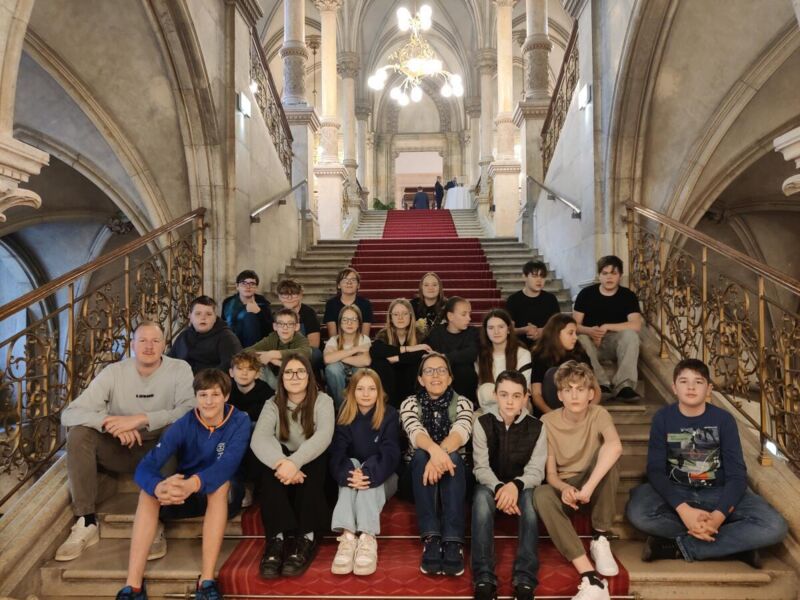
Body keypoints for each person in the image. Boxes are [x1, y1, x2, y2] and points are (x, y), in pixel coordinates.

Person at [626, 358, 787, 567]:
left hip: (717, 491)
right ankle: (736, 545)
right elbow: (655, 470)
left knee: (774, 526)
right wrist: (684, 511)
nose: (691, 387)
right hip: (677, 490)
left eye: (698, 382)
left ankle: (682, 547)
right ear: (674, 387)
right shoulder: (663, 418)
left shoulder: (723, 420)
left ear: (709, 389)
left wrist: (718, 517)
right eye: (684, 381)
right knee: (638, 513)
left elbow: (737, 476)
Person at [57, 322, 195, 562]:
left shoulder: (179, 369)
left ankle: (156, 518)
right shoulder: (113, 372)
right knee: (79, 434)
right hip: (121, 449)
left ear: (164, 345)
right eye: (142, 340)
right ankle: (86, 520)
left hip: (162, 452)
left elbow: (189, 410)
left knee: (174, 430)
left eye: (155, 341)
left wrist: (141, 419)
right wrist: (109, 422)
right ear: (132, 345)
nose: (149, 346)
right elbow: (69, 414)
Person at [113, 369, 249, 600]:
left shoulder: (240, 420)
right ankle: (133, 586)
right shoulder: (184, 423)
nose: (208, 401)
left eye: (215, 395)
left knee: (220, 485)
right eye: (203, 395)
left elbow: (227, 464)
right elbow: (145, 466)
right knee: (148, 492)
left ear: (226, 396)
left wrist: (193, 484)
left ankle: (206, 581)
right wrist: (159, 487)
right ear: (196, 397)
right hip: (187, 493)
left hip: (225, 496)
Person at [533, 361, 623, 600]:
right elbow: (551, 475)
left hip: (593, 483)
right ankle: (591, 577)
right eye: (568, 389)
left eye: (580, 389)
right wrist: (565, 489)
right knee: (540, 494)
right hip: (567, 487)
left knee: (609, 456)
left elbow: (615, 446)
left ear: (591, 394)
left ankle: (600, 536)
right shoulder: (547, 422)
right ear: (560, 395)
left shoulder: (599, 414)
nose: (574, 395)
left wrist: (588, 488)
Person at [251, 354, 335, 579]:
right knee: (267, 465)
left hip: (311, 462)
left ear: (309, 376)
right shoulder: (272, 403)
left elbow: (324, 436)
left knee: (317, 460)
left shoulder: (323, 401)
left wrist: (295, 462)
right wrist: (283, 463)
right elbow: (259, 438)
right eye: (288, 372)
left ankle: (306, 537)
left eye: (300, 371)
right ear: (281, 378)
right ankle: (276, 539)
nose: (294, 377)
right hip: (285, 466)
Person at [471, 371, 547, 600]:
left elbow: (536, 470)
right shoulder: (482, 423)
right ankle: (484, 577)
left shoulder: (537, 427)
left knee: (530, 504)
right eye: (504, 394)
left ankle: (525, 578)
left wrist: (515, 486)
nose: (510, 401)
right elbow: (481, 467)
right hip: (490, 485)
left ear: (525, 397)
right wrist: (500, 489)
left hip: (522, 486)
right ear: (495, 395)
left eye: (516, 395)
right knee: (481, 500)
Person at [399, 352, 473, 577]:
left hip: (455, 477)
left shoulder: (463, 403)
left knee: (454, 457)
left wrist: (439, 456)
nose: (435, 375)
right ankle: (431, 538)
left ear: (450, 378)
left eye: (441, 370)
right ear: (421, 379)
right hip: (417, 478)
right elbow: (415, 431)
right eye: (429, 371)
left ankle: (452, 541)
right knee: (421, 456)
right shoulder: (409, 403)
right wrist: (434, 452)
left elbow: (461, 432)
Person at [329, 369, 401, 576]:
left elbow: (390, 454)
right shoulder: (344, 414)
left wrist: (367, 473)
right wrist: (350, 474)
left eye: (372, 389)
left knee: (370, 470)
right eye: (360, 389)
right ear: (352, 391)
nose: (366, 394)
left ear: (379, 392)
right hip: (353, 479)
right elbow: (337, 453)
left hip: (385, 477)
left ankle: (367, 537)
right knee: (351, 463)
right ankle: (348, 537)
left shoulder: (389, 414)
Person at [573, 255, 642, 402]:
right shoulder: (586, 294)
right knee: (581, 338)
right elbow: (574, 326)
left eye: (613, 273)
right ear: (599, 275)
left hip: (614, 344)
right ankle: (601, 384)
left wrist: (607, 327)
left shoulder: (628, 296)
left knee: (631, 335)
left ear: (620, 276)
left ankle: (624, 386)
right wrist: (590, 331)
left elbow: (636, 325)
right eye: (605, 273)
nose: (609, 277)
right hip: (591, 343)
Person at [530, 313, 597, 416]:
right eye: (570, 333)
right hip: (550, 413)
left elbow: (596, 389)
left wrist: (587, 412)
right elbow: (536, 394)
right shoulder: (540, 356)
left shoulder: (580, 353)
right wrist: (554, 416)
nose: (575, 337)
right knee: (552, 373)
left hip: (580, 412)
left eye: (575, 333)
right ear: (556, 334)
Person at [369, 298, 431, 408]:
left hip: (411, 379)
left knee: (419, 361)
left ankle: (414, 406)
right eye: (396, 314)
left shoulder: (419, 334)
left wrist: (398, 358)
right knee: (379, 362)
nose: (400, 318)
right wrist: (407, 349)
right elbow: (375, 350)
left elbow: (424, 352)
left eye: (404, 314)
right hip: (390, 379)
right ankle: (387, 407)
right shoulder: (383, 334)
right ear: (391, 318)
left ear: (410, 316)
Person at [426, 297, 480, 405]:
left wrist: (445, 357)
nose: (469, 318)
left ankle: (465, 406)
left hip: (466, 385)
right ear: (450, 316)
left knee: (463, 369)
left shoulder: (472, 332)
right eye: (464, 314)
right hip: (440, 380)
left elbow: (472, 353)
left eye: (469, 314)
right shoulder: (436, 333)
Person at [168, 295, 242, 374]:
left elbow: (230, 367)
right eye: (198, 314)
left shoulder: (227, 338)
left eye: (209, 314)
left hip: (211, 379)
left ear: (215, 317)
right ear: (190, 316)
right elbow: (170, 360)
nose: (203, 318)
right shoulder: (184, 336)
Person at [475, 308, 532, 410]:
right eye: (491, 328)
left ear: (508, 329)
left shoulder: (522, 354)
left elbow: (524, 392)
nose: (496, 332)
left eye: (501, 327)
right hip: (489, 408)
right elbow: (481, 392)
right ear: (486, 331)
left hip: (517, 406)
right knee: (486, 389)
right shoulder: (480, 356)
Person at [247, 308, 311, 390]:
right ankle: (271, 393)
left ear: (296, 327)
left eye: (290, 324)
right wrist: (268, 357)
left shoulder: (300, 339)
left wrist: (273, 355)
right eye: (280, 324)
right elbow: (246, 351)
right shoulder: (272, 338)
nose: (285, 327)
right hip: (275, 380)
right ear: (275, 326)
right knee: (257, 363)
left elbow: (306, 352)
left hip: (296, 379)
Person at [324, 306, 372, 411]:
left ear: (359, 323)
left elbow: (366, 361)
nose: (349, 323)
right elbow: (327, 359)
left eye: (354, 319)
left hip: (355, 373)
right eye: (345, 320)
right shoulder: (334, 340)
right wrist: (356, 350)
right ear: (340, 323)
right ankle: (342, 409)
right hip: (338, 377)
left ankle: (357, 408)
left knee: (361, 370)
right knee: (333, 369)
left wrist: (338, 356)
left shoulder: (364, 339)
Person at [505, 260, 561, 348]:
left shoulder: (551, 299)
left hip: (546, 346)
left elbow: (558, 325)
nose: (539, 280)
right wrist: (525, 330)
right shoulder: (513, 300)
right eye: (534, 276)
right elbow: (508, 329)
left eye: (542, 276)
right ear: (524, 277)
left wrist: (541, 331)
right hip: (520, 347)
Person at [276, 278, 323, 373]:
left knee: (315, 353)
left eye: (293, 294)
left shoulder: (309, 313)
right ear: (279, 297)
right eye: (285, 294)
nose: (289, 298)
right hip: (284, 353)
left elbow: (314, 344)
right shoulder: (277, 315)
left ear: (301, 295)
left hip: (305, 353)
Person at [221, 269, 273, 347]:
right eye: (244, 283)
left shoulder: (262, 302)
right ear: (237, 286)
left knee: (249, 317)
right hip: (233, 343)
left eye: (252, 284)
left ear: (256, 287)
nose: (248, 287)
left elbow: (270, 330)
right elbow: (223, 326)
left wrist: (259, 312)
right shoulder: (228, 302)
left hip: (256, 344)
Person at [323, 268, 373, 338]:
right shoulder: (331, 304)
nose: (349, 282)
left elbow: (365, 336)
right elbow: (333, 336)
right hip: (338, 342)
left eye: (353, 280)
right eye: (345, 280)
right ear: (338, 285)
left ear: (358, 285)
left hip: (360, 342)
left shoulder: (366, 304)